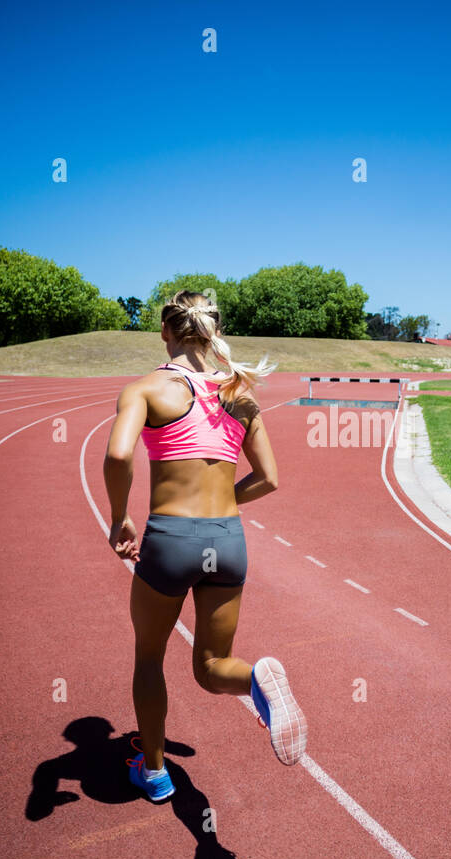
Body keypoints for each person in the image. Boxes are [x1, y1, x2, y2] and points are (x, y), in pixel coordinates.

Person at [102, 290, 307, 803]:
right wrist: (223, 504)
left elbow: (118, 454)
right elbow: (269, 479)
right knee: (214, 666)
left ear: (166, 333)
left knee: (150, 658)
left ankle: (153, 772)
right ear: (212, 332)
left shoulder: (146, 389)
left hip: (171, 540)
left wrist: (120, 517)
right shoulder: (239, 394)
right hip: (227, 540)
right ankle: (257, 680)